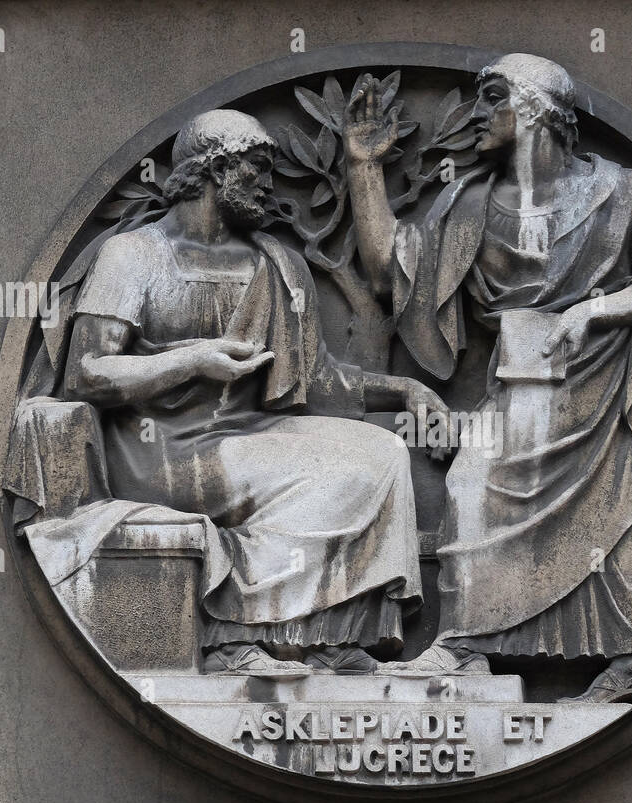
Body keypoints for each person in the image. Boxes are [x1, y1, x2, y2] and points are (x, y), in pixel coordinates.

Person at [344, 54, 632, 702]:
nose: (473, 116)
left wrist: (597, 309)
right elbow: (391, 272)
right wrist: (362, 166)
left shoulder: (627, 194)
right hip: (520, 373)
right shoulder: (469, 205)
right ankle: (464, 649)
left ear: (532, 109)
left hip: (606, 375)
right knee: (472, 485)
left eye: (489, 98)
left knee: (611, 510)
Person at [62, 109, 449, 677]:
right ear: (213, 171)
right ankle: (231, 634)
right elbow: (87, 373)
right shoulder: (134, 256)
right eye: (257, 169)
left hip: (244, 434)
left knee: (379, 454)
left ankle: (327, 632)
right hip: (159, 447)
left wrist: (406, 388)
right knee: (316, 474)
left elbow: (321, 380)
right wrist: (193, 360)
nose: (269, 185)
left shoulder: (275, 262)